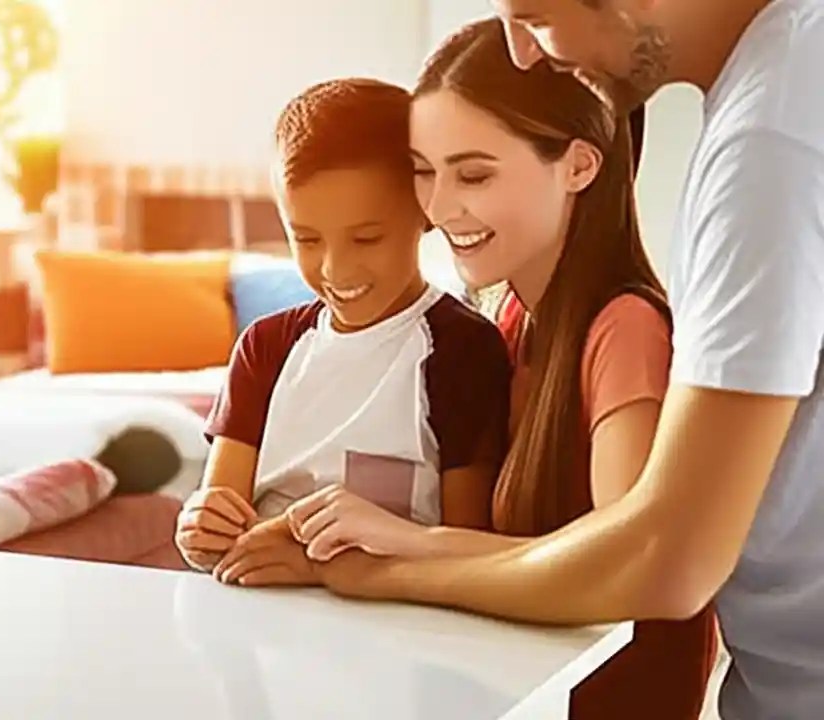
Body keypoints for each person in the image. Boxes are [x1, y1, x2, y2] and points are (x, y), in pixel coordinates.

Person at [310, 2, 824, 718]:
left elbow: (662, 560)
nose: (524, 51)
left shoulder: (771, 139)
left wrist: (391, 568)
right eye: (425, 172)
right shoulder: (768, 100)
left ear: (580, 166)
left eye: (534, 14)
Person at [172, 78, 513, 585]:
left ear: (425, 212)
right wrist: (199, 531)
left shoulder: (462, 350)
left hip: (393, 621)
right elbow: (220, 524)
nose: (336, 269)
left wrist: (319, 565)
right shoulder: (265, 348)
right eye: (307, 239)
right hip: (256, 614)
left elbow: (466, 548)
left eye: (367, 238)